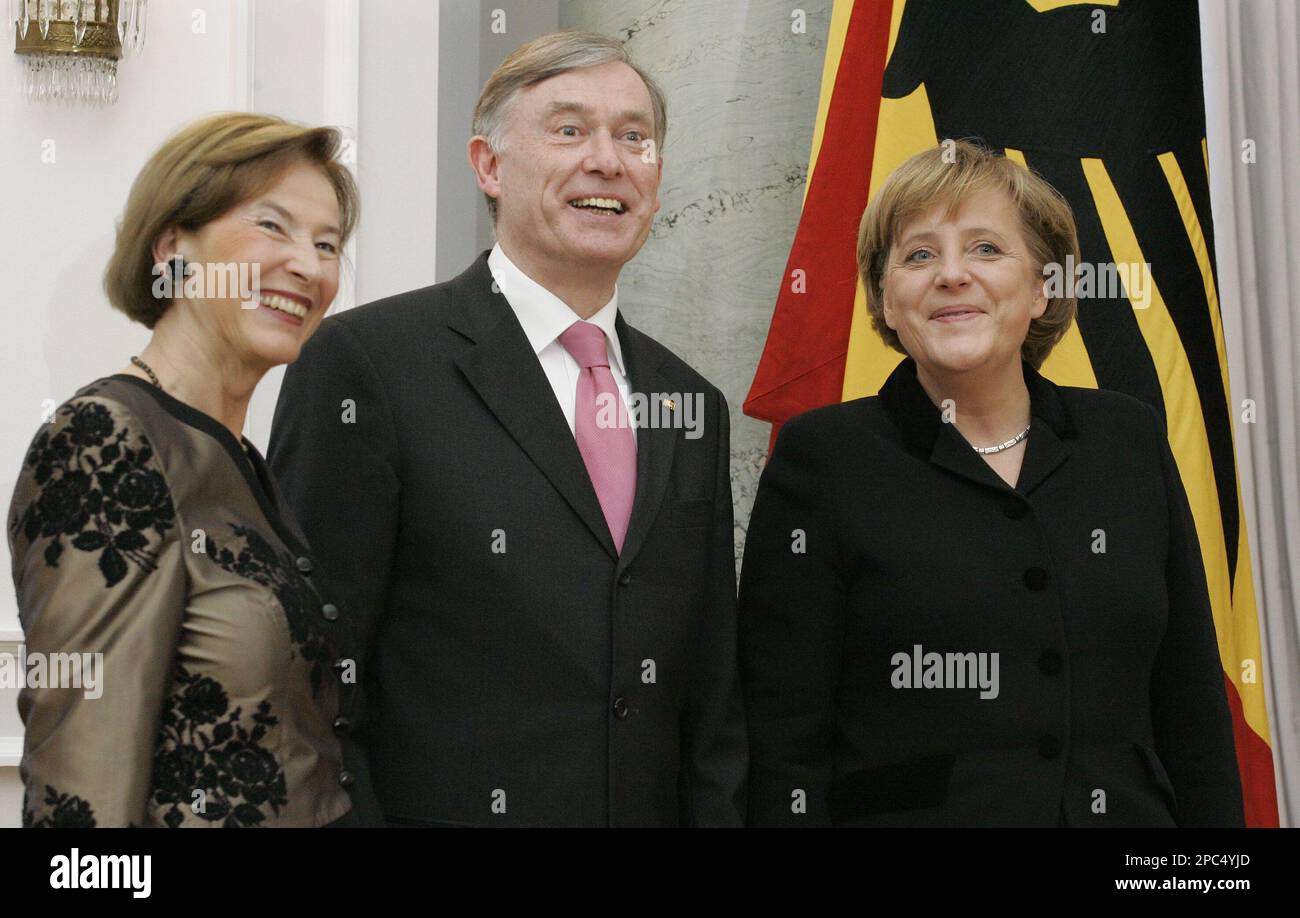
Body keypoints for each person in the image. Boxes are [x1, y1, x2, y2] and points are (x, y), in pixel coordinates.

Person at [267, 31, 747, 826]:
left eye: (635, 137)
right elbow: (306, 676)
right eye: (569, 130)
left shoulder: (691, 404)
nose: (608, 159)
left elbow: (710, 695)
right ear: (488, 165)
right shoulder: (369, 366)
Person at [739, 140, 1244, 827]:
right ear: (885, 299)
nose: (952, 275)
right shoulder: (823, 460)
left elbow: (1192, 715)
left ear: (1042, 288)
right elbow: (782, 740)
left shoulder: (1126, 439)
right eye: (919, 255)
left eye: (985, 249)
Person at [8, 112, 378, 827]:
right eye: (273, 226)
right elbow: (81, 791)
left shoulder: (239, 459)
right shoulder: (105, 438)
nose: (308, 264)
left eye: (327, 242)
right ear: (174, 249)